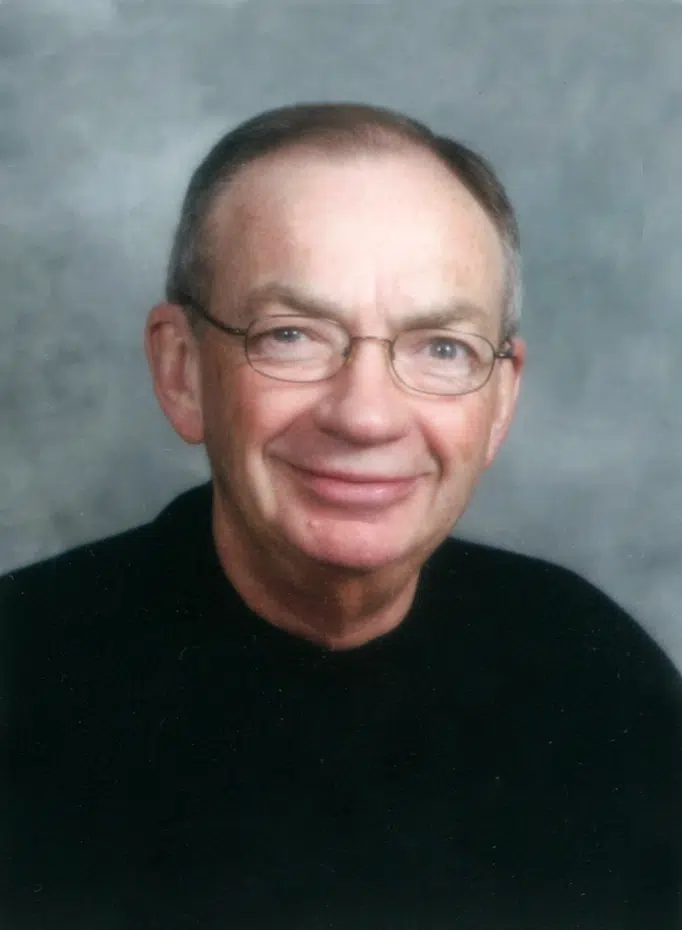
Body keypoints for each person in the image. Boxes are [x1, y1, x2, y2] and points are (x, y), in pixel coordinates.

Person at [1, 103, 680, 930]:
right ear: (182, 371)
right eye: (292, 335)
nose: (365, 416)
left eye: (441, 348)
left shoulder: (600, 683)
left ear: (500, 402)